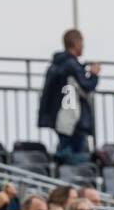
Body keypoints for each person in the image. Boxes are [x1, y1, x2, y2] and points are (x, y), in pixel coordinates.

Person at [39, 29, 100, 163]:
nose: (83, 46)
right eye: (81, 42)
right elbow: (86, 86)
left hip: (62, 119)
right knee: (75, 157)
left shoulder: (57, 64)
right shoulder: (70, 64)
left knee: (68, 150)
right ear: (75, 43)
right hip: (71, 119)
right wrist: (94, 74)